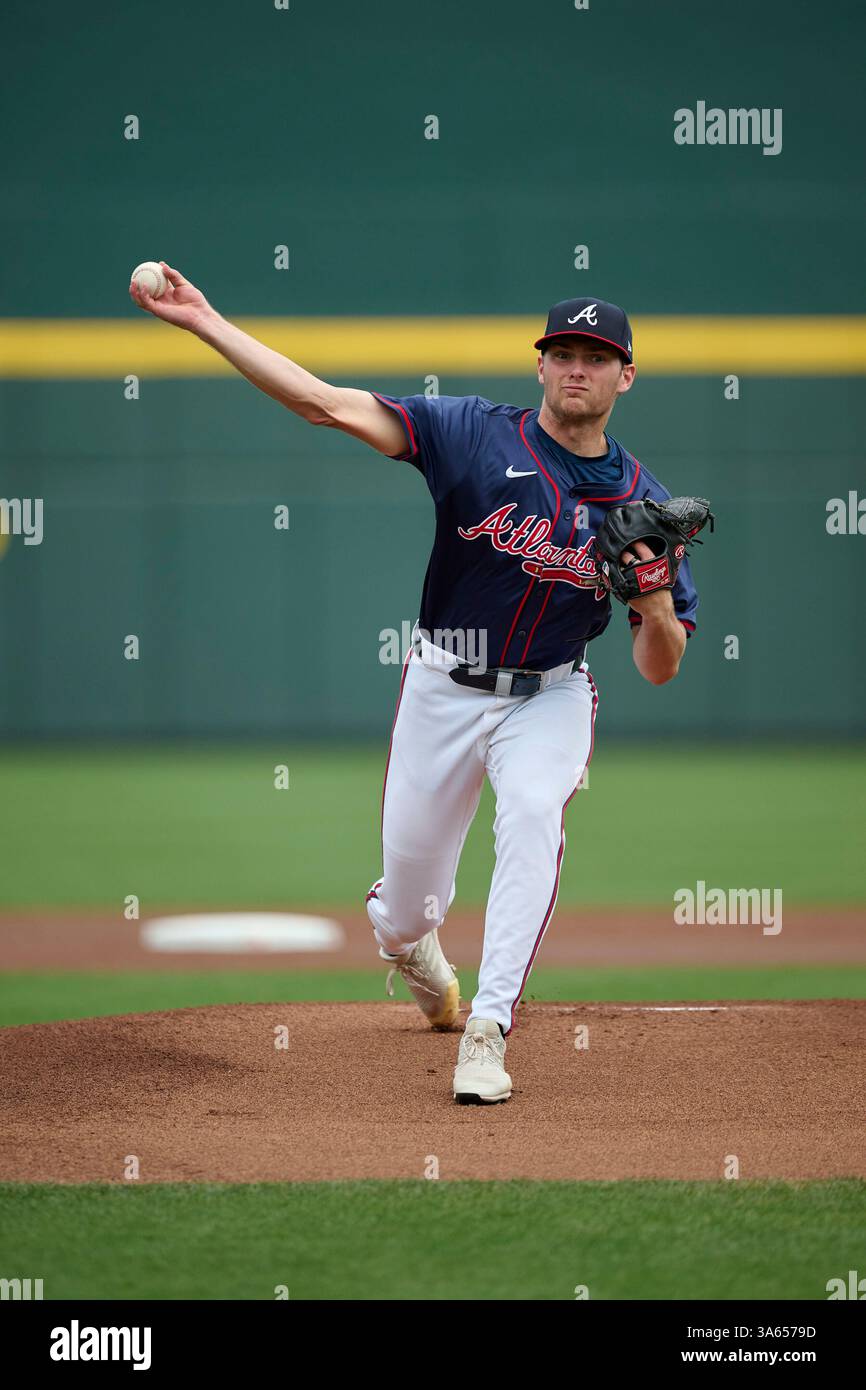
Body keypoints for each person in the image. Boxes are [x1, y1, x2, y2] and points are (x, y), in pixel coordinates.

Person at [130, 270, 697, 1104]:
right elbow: (325, 404)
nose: (579, 367)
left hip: (551, 691)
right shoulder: (471, 434)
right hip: (445, 686)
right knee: (404, 910)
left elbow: (661, 663)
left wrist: (651, 601)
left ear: (626, 376)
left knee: (536, 815)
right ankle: (412, 946)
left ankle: (489, 1028)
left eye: (597, 356)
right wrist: (205, 319)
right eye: (564, 352)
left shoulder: (645, 502)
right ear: (540, 365)